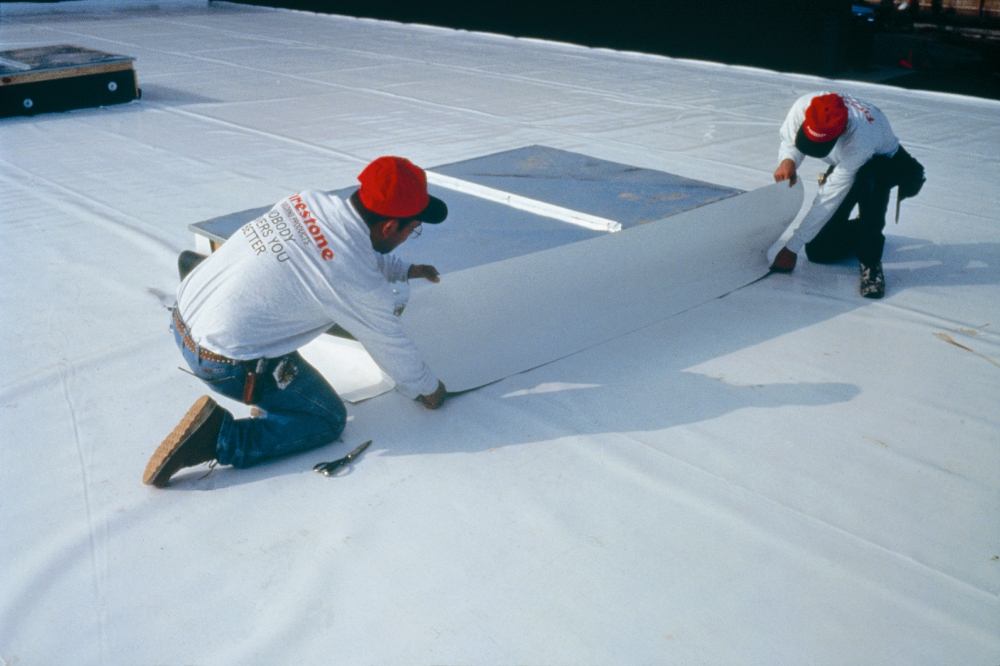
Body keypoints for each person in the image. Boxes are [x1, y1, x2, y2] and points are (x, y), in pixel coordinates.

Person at [144, 156, 449, 488]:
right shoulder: (357, 280)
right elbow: (392, 348)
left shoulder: (308, 201)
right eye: (413, 228)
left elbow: (343, 249)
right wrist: (429, 390)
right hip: (222, 362)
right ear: (390, 226)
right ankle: (221, 437)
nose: (411, 234)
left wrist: (404, 269)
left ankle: (268, 395)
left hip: (183, 316)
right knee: (327, 419)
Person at [770, 92, 924, 298]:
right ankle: (860, 228)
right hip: (847, 161)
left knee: (873, 178)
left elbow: (830, 195)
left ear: (841, 132)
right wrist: (788, 159)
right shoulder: (803, 106)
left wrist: (792, 247)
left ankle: (871, 259)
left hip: (883, 161)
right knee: (819, 251)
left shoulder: (862, 137)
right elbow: (789, 138)